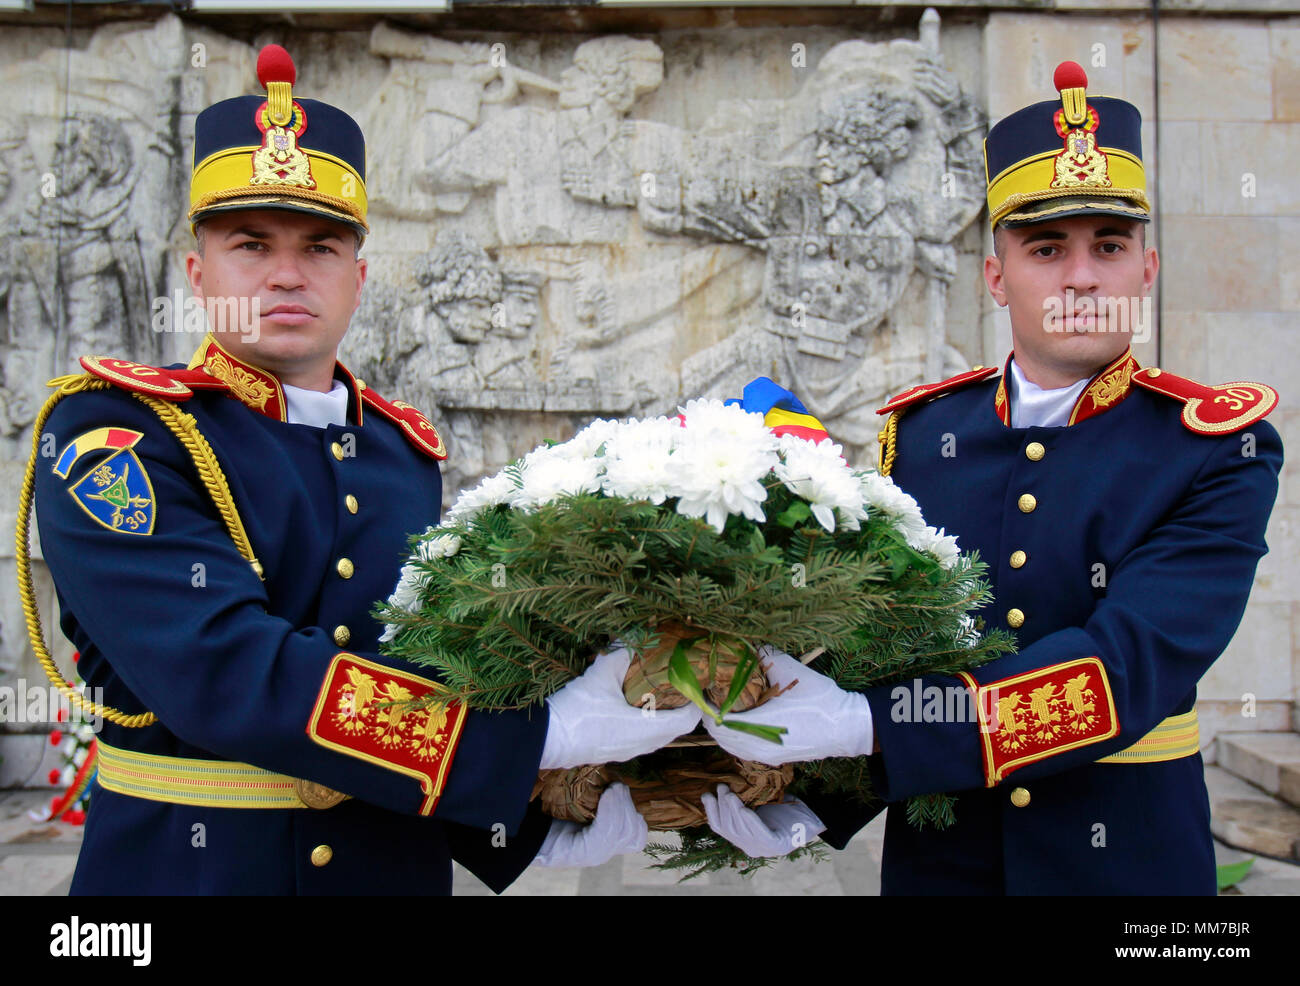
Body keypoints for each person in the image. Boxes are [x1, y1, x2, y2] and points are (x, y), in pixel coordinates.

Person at [27, 44, 697, 895]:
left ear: (358, 278)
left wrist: (527, 823)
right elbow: (224, 670)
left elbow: (424, 666)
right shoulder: (115, 432)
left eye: (320, 247)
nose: (285, 274)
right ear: (198, 275)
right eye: (250, 244)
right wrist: (531, 742)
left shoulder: (399, 451)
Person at [700, 61, 1283, 894]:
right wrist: (799, 804)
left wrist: (872, 726)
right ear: (996, 276)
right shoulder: (925, 433)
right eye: (1047, 248)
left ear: (1145, 271)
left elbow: (1122, 671)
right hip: (943, 864)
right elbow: (883, 653)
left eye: (1109, 246)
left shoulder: (1216, 448)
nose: (1081, 277)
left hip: (1125, 865)